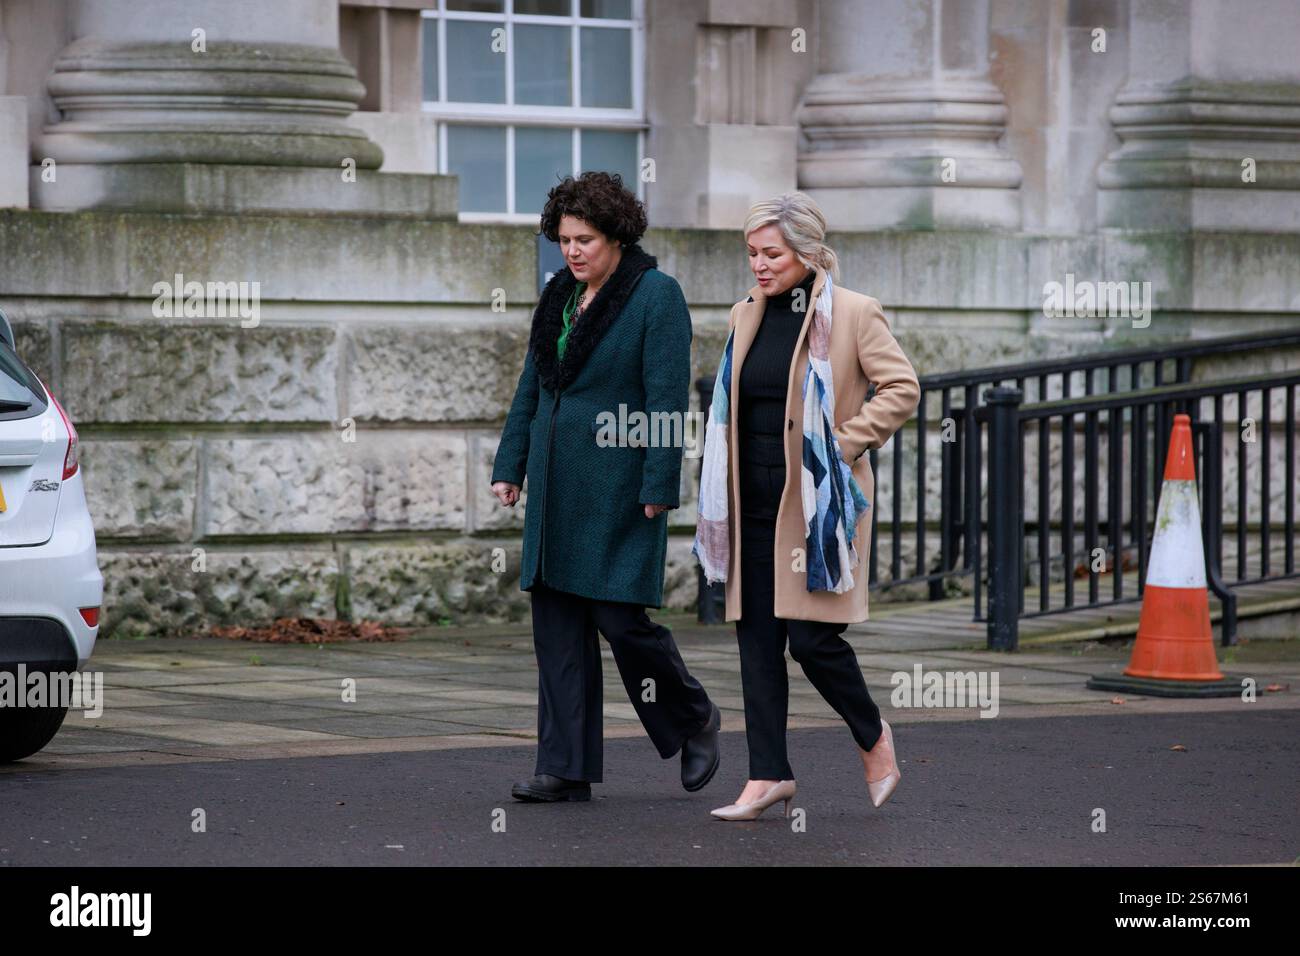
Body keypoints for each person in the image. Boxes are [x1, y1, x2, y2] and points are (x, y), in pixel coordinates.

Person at [490, 171, 720, 803]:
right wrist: (511, 465)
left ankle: (693, 716)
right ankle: (563, 768)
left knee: (621, 621)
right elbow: (531, 388)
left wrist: (658, 484)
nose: (572, 251)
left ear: (616, 235)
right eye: (563, 239)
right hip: (555, 493)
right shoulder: (558, 296)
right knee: (557, 628)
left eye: (584, 238)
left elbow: (666, 399)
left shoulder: (656, 296)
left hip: (619, 487)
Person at [693, 191, 921, 820]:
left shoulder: (852, 313)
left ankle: (873, 736)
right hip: (753, 503)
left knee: (814, 640)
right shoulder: (747, 314)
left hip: (814, 507)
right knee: (757, 640)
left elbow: (902, 387)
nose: (759, 265)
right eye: (752, 254)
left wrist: (841, 444)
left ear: (808, 252)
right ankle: (767, 775)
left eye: (772, 253)